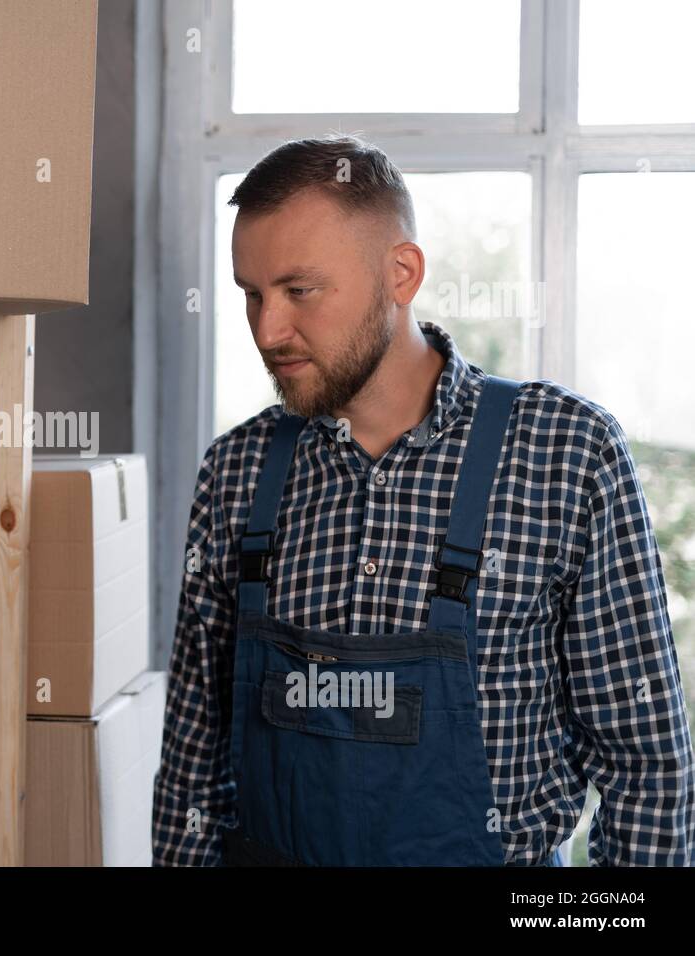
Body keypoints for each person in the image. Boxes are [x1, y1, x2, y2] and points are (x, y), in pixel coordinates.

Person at [152, 135, 694, 866]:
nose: (268, 330)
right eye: (251, 294)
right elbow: (193, 768)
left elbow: (647, 767)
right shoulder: (236, 472)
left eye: (299, 291)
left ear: (401, 273)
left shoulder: (566, 453)